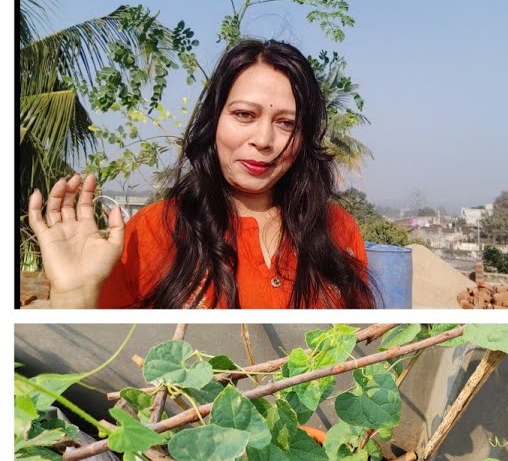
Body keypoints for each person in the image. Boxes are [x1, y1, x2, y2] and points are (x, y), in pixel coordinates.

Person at [27, 38, 375, 309]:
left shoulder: (338, 230)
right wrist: (74, 294)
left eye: (286, 123)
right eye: (244, 115)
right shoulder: (154, 231)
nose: (264, 140)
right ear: (214, 120)